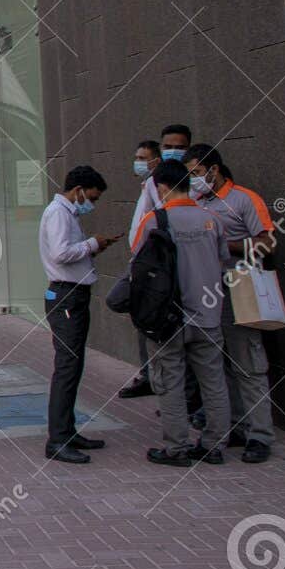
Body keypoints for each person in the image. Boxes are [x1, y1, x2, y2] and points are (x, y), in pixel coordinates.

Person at [130, 159, 233, 466]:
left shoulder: (153, 220)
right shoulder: (212, 218)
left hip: (167, 319)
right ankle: (214, 446)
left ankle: (177, 448)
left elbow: (137, 263)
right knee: (214, 382)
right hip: (208, 314)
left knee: (170, 383)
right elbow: (223, 259)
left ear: (161, 187)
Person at [186, 144, 276, 463]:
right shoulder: (197, 201)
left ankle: (260, 435)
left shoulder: (244, 199)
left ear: (214, 169)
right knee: (221, 363)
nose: (193, 180)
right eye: (189, 175)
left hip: (240, 286)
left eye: (197, 173)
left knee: (248, 363)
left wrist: (226, 245)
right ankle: (238, 425)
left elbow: (267, 242)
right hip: (208, 291)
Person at [39, 165, 120, 464]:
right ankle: (58, 440)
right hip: (66, 297)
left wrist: (92, 248)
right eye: (92, 198)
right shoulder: (59, 213)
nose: (92, 204)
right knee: (67, 368)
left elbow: (68, 253)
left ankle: (67, 431)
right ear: (78, 191)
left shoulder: (66, 213)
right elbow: (60, 253)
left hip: (72, 295)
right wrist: (92, 243)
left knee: (73, 366)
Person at [118, 139, 165, 399]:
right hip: (141, 261)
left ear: (156, 160)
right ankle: (149, 374)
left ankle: (156, 378)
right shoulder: (147, 184)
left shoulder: (158, 185)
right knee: (140, 316)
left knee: (141, 313)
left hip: (151, 266)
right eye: (136, 157)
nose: (137, 162)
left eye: (142, 158)